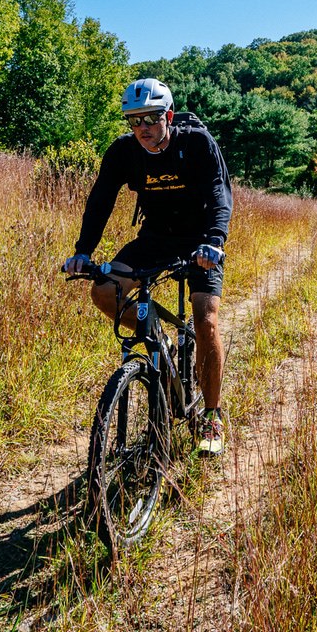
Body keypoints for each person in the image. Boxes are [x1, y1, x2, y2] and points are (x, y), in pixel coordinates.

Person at [63, 78, 233, 455]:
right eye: (134, 120)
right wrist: (83, 251)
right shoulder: (124, 152)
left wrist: (215, 241)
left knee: (205, 319)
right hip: (155, 238)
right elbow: (101, 199)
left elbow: (220, 195)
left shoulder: (196, 143)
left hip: (201, 241)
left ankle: (211, 414)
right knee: (105, 289)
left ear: (168, 116)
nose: (142, 128)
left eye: (151, 119)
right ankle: (158, 334)